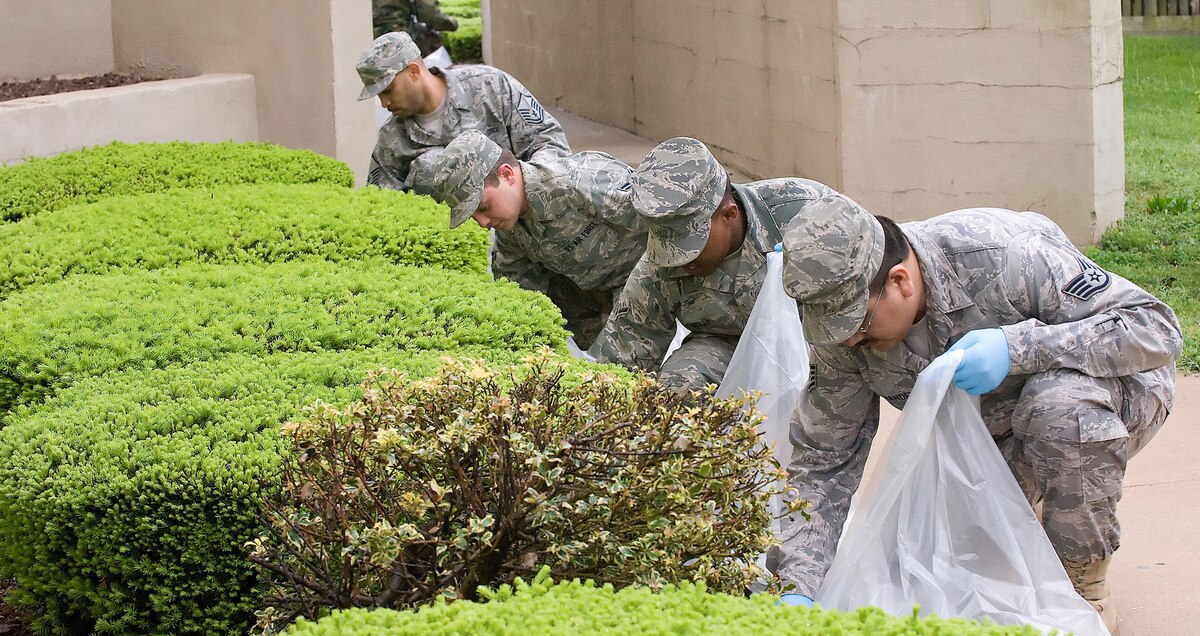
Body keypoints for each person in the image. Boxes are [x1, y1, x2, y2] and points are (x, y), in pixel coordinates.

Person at [774, 197, 1181, 631]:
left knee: (1058, 411)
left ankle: (1083, 583)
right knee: (924, 565)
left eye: (858, 324)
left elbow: (1155, 328)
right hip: (992, 431)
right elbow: (823, 461)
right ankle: (1036, 504)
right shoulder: (845, 336)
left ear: (900, 282)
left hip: (1109, 392)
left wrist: (1018, 349)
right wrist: (798, 586)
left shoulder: (1006, 255)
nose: (850, 341)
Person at [587, 136, 835, 394]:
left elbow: (862, 305)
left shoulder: (808, 214)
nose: (680, 261)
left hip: (811, 342)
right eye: (668, 249)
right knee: (677, 388)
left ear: (729, 214)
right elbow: (620, 360)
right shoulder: (657, 267)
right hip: (723, 345)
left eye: (689, 246)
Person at [429, 129, 647, 349]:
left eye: (483, 207)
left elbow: (662, 220)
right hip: (597, 298)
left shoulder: (581, 183)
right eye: (473, 216)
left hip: (650, 281)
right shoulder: (511, 231)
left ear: (507, 174)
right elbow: (516, 297)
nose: (483, 223)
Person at [355, 32, 569, 193]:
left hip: (518, 239)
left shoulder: (491, 87)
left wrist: (522, 190)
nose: (384, 103)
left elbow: (549, 142)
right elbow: (381, 206)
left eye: (388, 90)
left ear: (413, 71)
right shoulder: (391, 140)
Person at [371, 0, 458, 55]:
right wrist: (451, 24)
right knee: (432, 39)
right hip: (398, 35)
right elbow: (430, 14)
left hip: (369, 34)